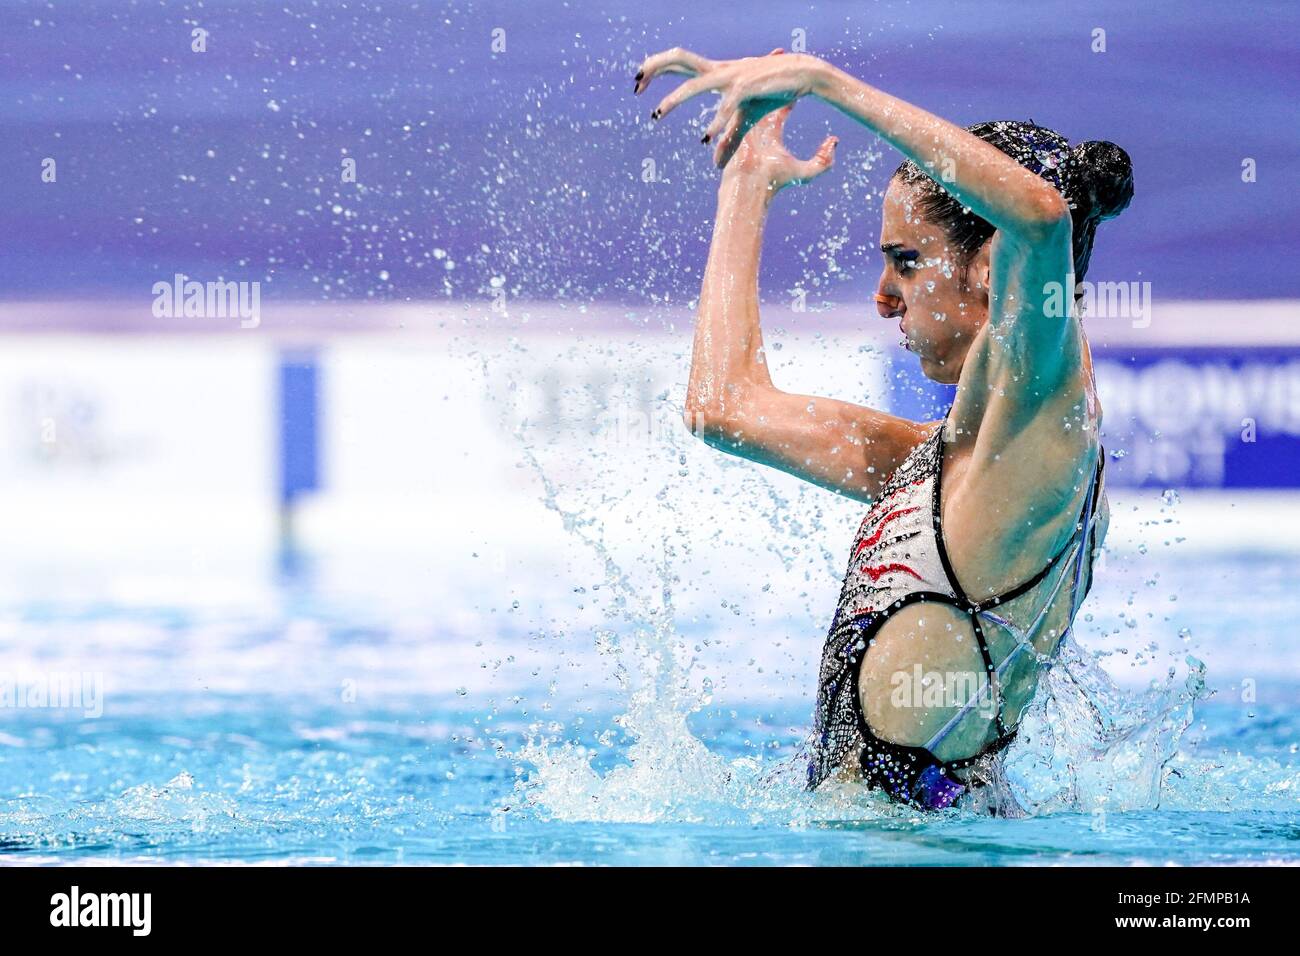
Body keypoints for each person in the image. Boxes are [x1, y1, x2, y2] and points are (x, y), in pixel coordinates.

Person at [634, 47, 1133, 810]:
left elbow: (1039, 216)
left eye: (906, 261)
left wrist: (820, 80)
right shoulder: (950, 469)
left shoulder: (1047, 428)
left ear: (991, 266)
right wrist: (747, 180)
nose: (882, 297)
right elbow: (722, 408)